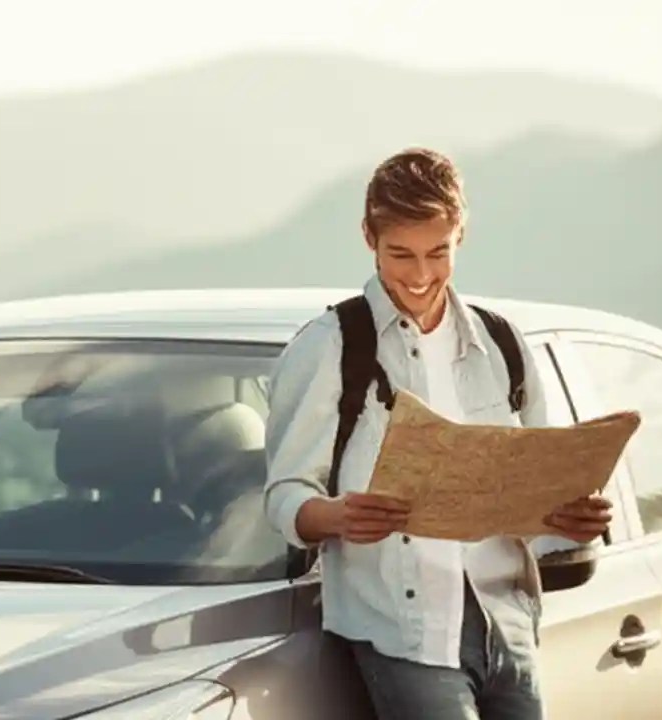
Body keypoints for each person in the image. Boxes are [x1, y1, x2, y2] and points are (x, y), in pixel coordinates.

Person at [262, 147, 612, 719]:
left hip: (508, 622)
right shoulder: (330, 346)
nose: (420, 276)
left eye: (438, 253)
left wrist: (570, 517)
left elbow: (539, 481)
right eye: (400, 254)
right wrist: (338, 515)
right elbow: (284, 495)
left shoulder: (500, 344)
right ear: (368, 237)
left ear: (461, 236)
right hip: (403, 634)